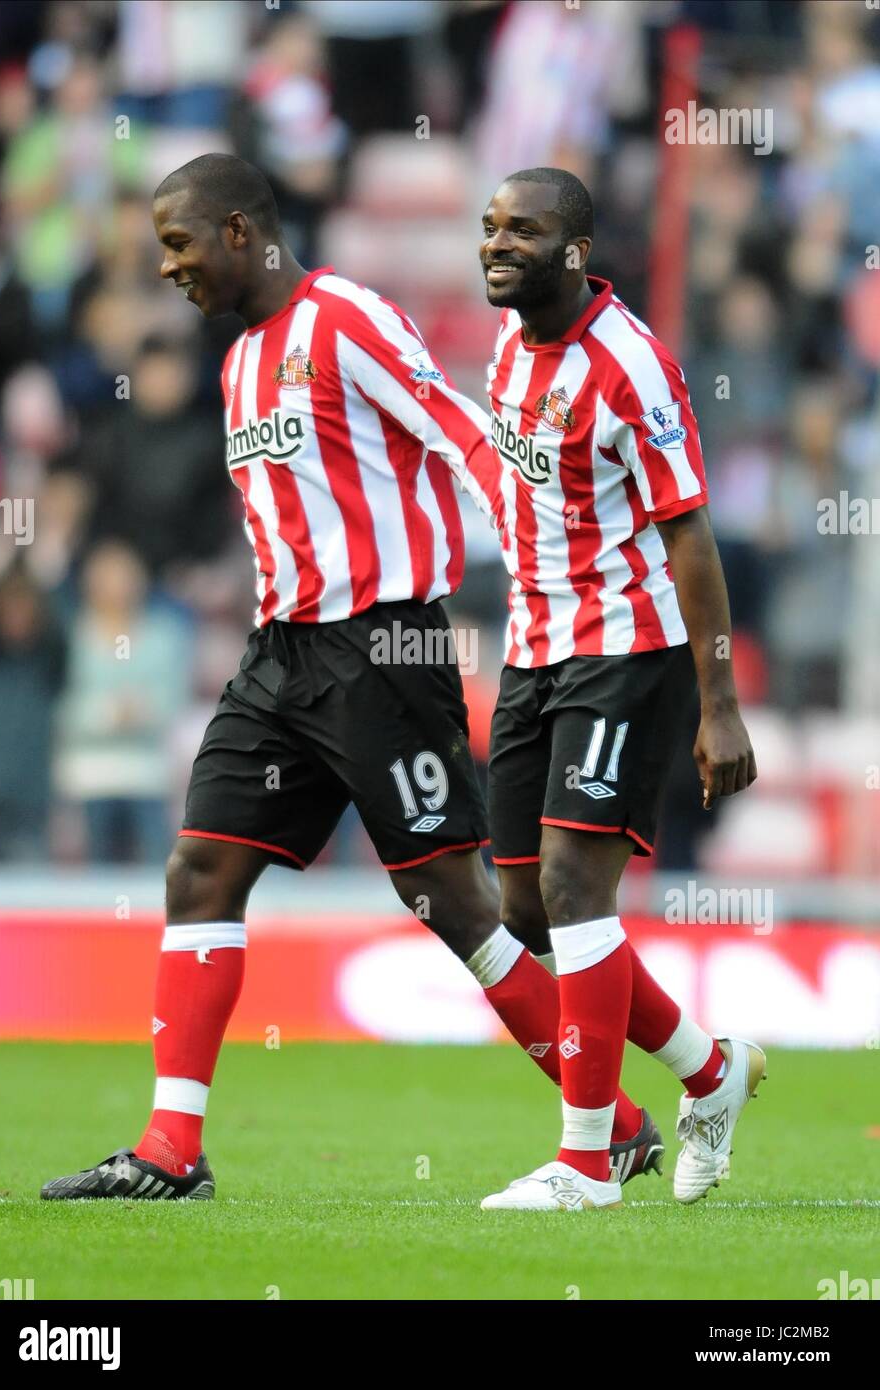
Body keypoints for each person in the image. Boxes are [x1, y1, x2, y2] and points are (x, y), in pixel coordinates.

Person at [41, 154, 658, 1202]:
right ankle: (169, 1147)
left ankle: (620, 1125)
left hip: (383, 649)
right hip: (279, 656)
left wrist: (540, 558)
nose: (167, 265)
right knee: (199, 868)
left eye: (180, 242)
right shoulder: (239, 362)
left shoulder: (345, 318)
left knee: (456, 905)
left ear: (239, 230)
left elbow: (458, 430)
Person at [477, 168, 765, 1213]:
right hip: (532, 651)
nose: (498, 244)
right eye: (489, 226)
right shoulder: (508, 347)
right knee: (525, 906)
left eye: (525, 230)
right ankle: (707, 1069)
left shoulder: (629, 368)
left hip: (627, 649)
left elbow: (689, 531)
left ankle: (587, 1164)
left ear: (577, 250)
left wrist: (717, 699)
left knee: (571, 887)